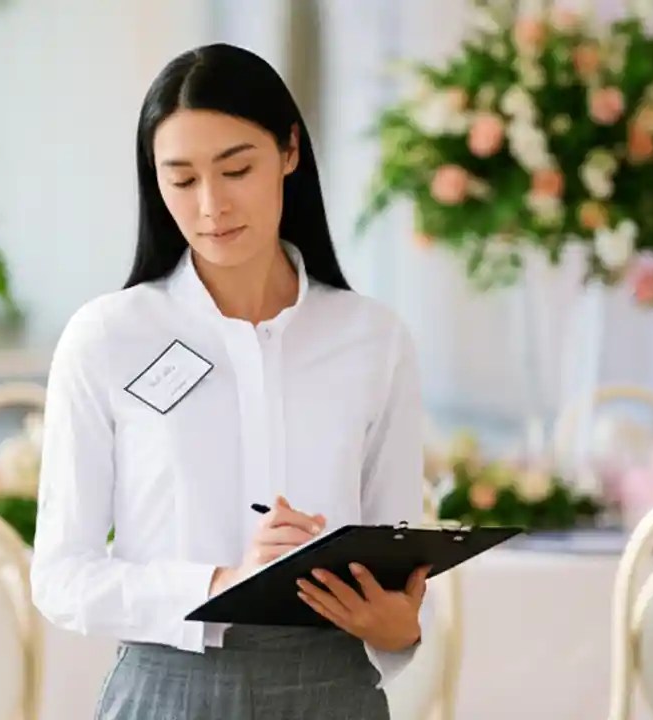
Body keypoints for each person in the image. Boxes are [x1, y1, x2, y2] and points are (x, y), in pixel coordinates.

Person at [30, 42, 428, 720]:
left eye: (236, 168)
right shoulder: (107, 338)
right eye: (181, 180)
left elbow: (398, 558)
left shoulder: (373, 338)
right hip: (166, 692)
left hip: (333, 692)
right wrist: (223, 584)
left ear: (290, 152)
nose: (211, 205)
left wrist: (399, 630)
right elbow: (62, 577)